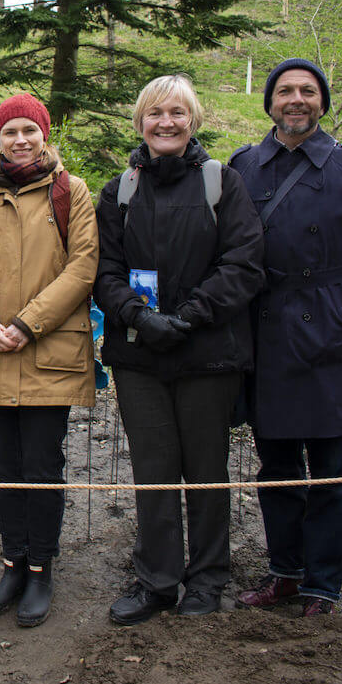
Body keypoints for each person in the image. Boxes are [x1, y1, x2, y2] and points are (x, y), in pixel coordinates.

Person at [230, 59, 342, 616]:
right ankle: (284, 572)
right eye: (285, 91)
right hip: (267, 336)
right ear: (270, 103)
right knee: (277, 471)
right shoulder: (243, 167)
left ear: (322, 102)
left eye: (308, 91)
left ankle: (322, 585)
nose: (296, 99)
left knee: (332, 474)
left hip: (330, 339)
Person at [93, 74, 265, 625]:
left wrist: (188, 317)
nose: (165, 123)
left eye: (177, 113)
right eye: (154, 114)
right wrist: (139, 316)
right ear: (139, 122)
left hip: (208, 353)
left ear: (193, 120)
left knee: (205, 469)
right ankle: (157, 579)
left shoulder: (223, 183)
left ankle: (208, 577)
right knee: (154, 468)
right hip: (140, 355)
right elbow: (105, 269)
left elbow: (243, 262)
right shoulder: (119, 190)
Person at [0, 92, 99, 627]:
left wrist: (26, 323)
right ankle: (13, 563)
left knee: (41, 466)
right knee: (4, 468)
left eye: (28, 131)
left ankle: (41, 569)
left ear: (44, 135)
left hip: (47, 354)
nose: (19, 140)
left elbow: (83, 268)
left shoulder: (71, 192)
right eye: (9, 132)